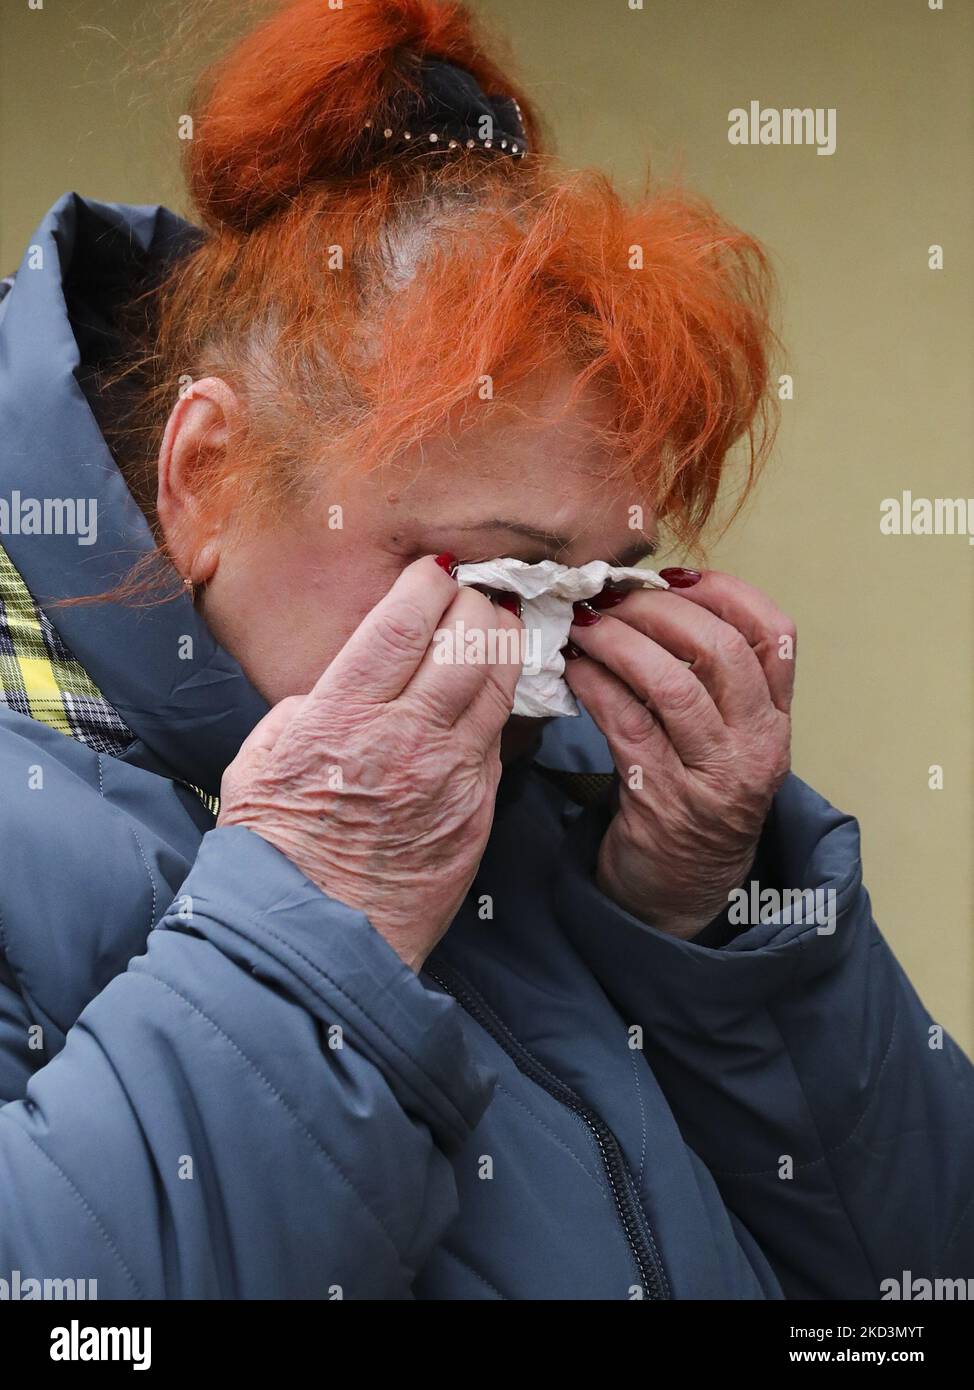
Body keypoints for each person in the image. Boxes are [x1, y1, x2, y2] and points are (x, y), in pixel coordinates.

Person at [0, 0, 970, 1300]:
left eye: (592, 576)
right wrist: (311, 932)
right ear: (205, 472)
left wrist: (725, 928)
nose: (537, 656)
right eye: (482, 568)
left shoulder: (572, 770)